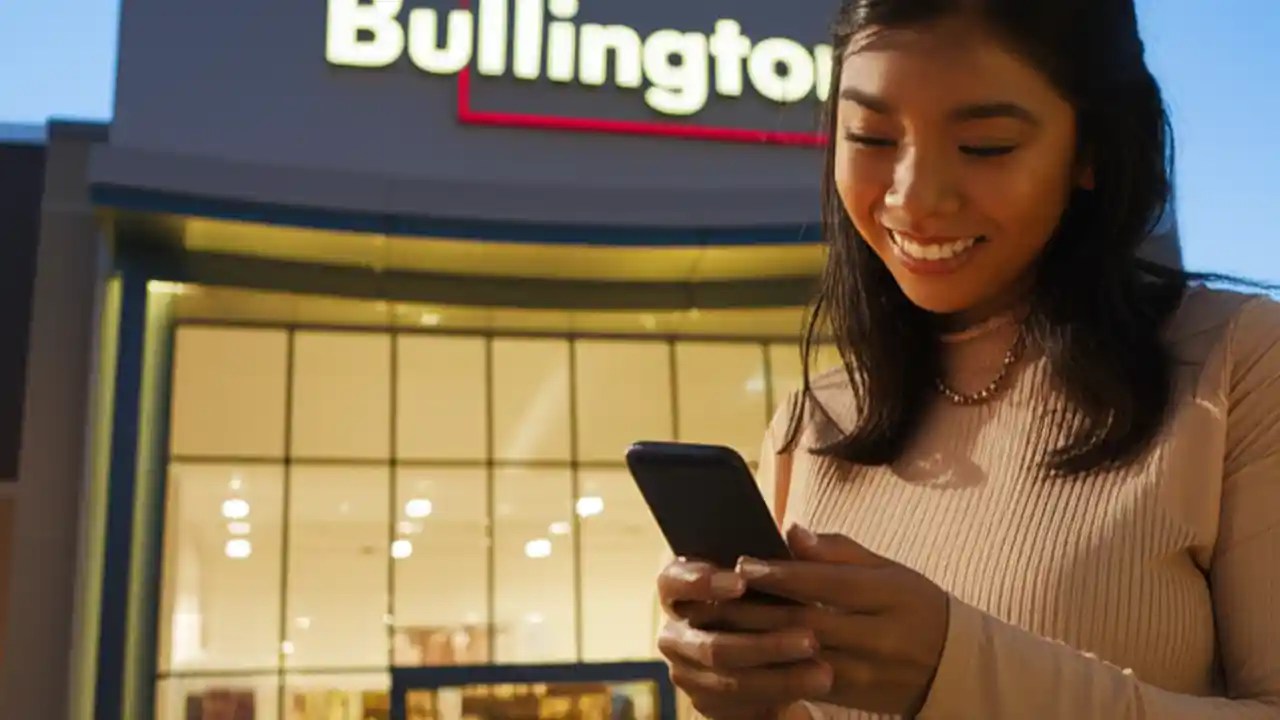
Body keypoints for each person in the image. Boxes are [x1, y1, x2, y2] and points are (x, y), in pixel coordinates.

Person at [654, 0, 1280, 718]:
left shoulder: (1241, 367)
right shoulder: (812, 426)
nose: (914, 199)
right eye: (871, 136)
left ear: (1091, 150)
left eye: (985, 146)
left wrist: (958, 669)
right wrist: (743, 694)